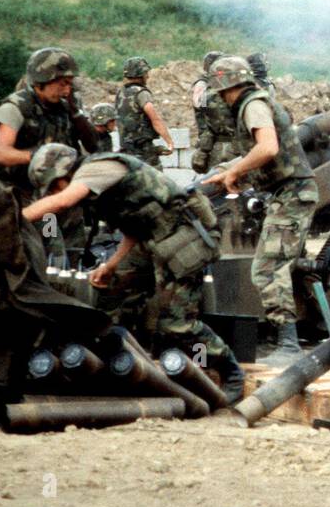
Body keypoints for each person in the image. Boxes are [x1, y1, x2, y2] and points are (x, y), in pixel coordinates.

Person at [22, 143, 244, 400]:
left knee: (177, 324)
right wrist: (112, 265)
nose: (53, 191)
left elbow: (62, 202)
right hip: (149, 239)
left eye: (53, 185)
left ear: (64, 172)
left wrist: (16, 217)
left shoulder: (97, 169)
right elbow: (133, 227)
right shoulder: (98, 188)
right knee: (109, 298)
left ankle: (227, 368)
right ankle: (125, 363)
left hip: (184, 237)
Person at [203, 56, 318, 355]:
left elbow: (267, 148)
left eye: (221, 91)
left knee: (267, 268)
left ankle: (289, 345)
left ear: (229, 86)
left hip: (292, 194)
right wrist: (227, 173)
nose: (222, 99)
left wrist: (235, 171)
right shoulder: (253, 103)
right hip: (284, 193)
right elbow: (259, 157)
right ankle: (292, 335)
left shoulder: (252, 105)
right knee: (276, 266)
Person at [0, 47, 81, 198]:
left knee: (58, 216)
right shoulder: (16, 106)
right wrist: (43, 156)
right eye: (63, 84)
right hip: (7, 191)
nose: (67, 91)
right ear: (43, 79)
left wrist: (75, 112)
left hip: (42, 190)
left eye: (70, 85)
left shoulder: (61, 109)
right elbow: (1, 154)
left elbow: (91, 145)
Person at [114, 57, 174, 167]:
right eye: (146, 72)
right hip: (143, 151)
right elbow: (155, 119)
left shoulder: (120, 93)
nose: (148, 76)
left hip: (126, 150)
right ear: (140, 73)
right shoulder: (142, 93)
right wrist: (169, 142)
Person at [190, 50, 238, 173]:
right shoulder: (205, 85)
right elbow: (200, 108)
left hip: (213, 141)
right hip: (223, 142)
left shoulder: (210, 89)